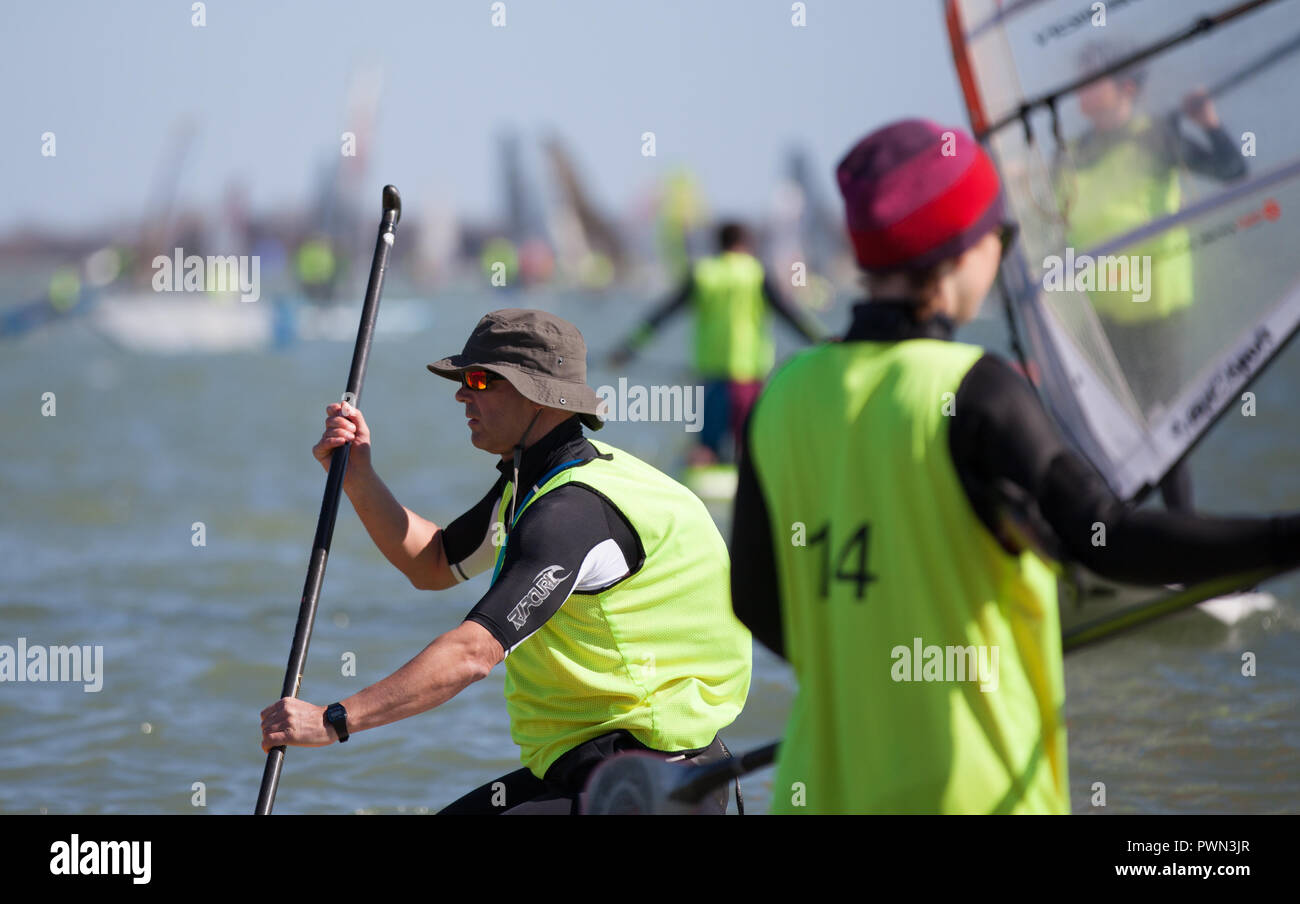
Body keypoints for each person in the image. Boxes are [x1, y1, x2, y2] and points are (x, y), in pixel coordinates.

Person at [729, 119, 1300, 814]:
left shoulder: (782, 396)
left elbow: (753, 602)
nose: (1002, 249)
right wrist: (1281, 538)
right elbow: (1106, 537)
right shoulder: (977, 389)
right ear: (961, 252)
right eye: (997, 233)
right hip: (972, 795)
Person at [260, 308, 753, 814]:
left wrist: (331, 720)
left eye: (478, 380)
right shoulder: (534, 483)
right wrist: (357, 474)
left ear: (538, 393)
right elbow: (433, 562)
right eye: (461, 379)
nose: (461, 394)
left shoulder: (571, 513)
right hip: (601, 773)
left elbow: (473, 653)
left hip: (651, 785)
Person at [1060, 44, 1247, 510]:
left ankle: (1183, 535)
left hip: (1156, 307)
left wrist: (1210, 123)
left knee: (1160, 424)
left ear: (1127, 87)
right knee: (1097, 426)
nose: (1078, 88)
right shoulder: (1074, 152)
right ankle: (1111, 539)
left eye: (1091, 78)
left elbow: (1232, 169)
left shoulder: (1159, 137)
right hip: (1101, 311)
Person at [610, 222, 825, 465]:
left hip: (712, 380)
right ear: (746, 245)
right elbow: (791, 315)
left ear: (719, 245)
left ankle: (704, 474)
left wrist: (628, 348)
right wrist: (822, 342)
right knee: (751, 447)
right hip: (749, 379)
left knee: (706, 450)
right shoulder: (757, 273)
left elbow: (662, 315)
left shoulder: (704, 273)